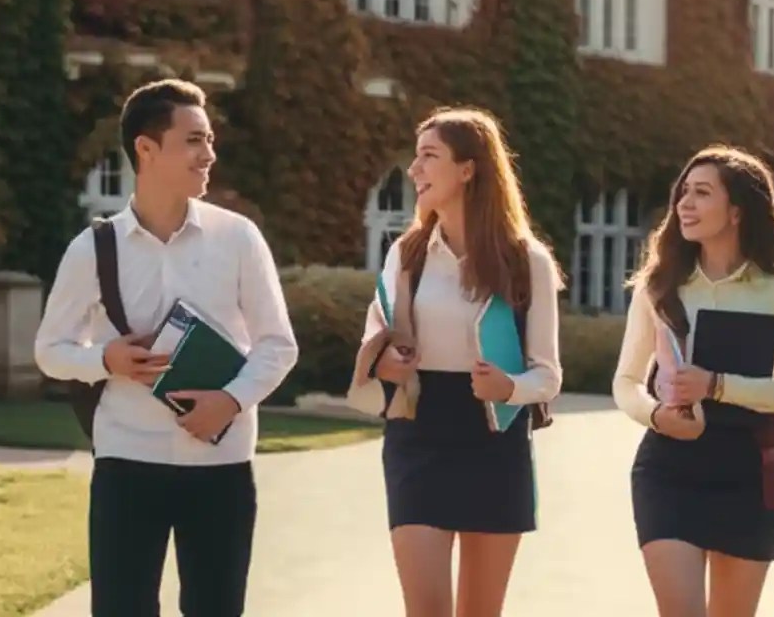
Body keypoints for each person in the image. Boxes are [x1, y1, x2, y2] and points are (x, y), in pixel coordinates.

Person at [34, 78, 298, 617]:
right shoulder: (92, 250)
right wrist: (104, 360)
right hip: (127, 461)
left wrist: (229, 401)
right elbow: (50, 349)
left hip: (222, 464)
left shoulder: (239, 237)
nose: (210, 155)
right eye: (194, 141)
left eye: (210, 140)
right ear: (146, 150)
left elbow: (277, 345)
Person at [349, 107, 563, 617]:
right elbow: (376, 337)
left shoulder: (526, 260)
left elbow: (548, 374)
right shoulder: (407, 252)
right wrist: (386, 363)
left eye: (429, 156)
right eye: (416, 156)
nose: (413, 169)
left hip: (494, 438)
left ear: (468, 169)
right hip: (418, 433)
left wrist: (509, 388)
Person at [612, 145, 774, 617]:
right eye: (684, 192)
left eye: (701, 193)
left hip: (748, 475)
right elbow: (626, 381)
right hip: (668, 470)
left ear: (737, 212)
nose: (684, 202)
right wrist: (657, 415)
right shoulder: (660, 284)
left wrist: (715, 385)